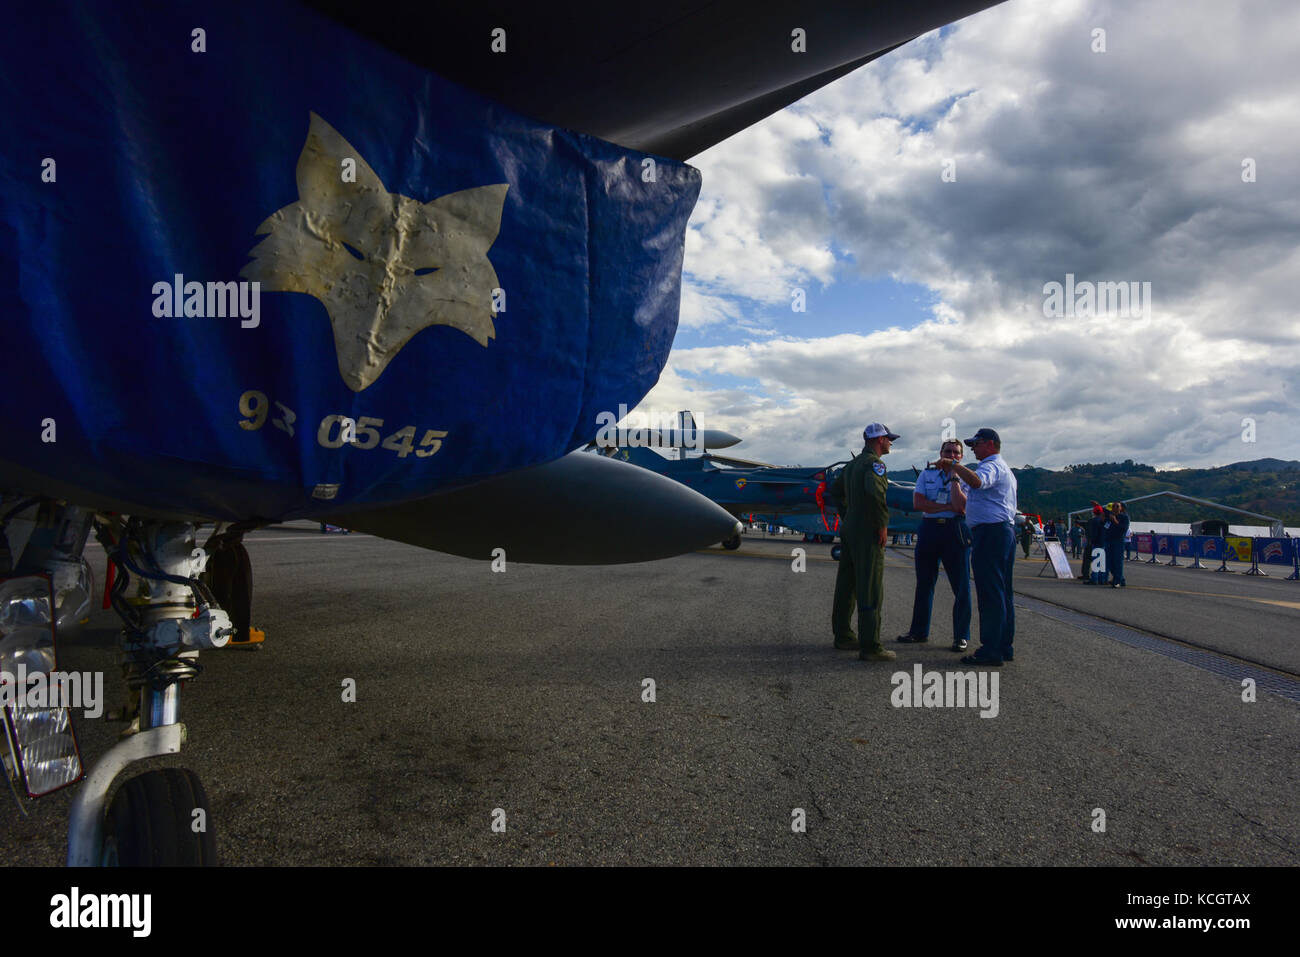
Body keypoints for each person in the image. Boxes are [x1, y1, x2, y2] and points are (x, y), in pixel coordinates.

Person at [935, 427, 1018, 666]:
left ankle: (991, 649)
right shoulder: (1001, 468)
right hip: (999, 532)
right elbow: (963, 500)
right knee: (1002, 592)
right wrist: (954, 477)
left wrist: (953, 465)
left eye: (976, 444)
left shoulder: (990, 466)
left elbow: (979, 482)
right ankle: (1003, 645)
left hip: (991, 533)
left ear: (990, 444)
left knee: (990, 592)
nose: (973, 449)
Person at [830, 423, 899, 662]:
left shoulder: (852, 465)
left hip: (849, 528)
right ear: (879, 439)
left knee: (847, 583)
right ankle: (871, 646)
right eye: (889, 439)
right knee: (870, 586)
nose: (891, 442)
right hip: (867, 531)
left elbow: (835, 491)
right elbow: (875, 493)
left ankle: (843, 635)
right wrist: (881, 524)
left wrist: (847, 514)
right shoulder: (875, 464)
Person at [895, 439, 972, 651]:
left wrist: (955, 476)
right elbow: (918, 504)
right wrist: (948, 506)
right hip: (929, 529)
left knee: (961, 585)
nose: (952, 455)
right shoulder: (926, 475)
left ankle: (961, 636)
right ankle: (918, 631)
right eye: (948, 451)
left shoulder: (966, 477)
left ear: (962, 457)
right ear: (940, 453)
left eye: (956, 453)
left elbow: (962, 508)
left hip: (955, 530)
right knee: (924, 583)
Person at [1105, 502, 1129, 586]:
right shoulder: (1109, 517)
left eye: (1117, 506)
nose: (1115, 507)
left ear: (1121, 508)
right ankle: (1120, 578)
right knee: (1110, 562)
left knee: (1117, 561)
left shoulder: (1124, 517)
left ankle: (1117, 580)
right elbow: (1106, 527)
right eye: (1113, 506)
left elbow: (1123, 529)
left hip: (1118, 541)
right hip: (1109, 541)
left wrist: (1114, 520)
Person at [1086, 505, 1107, 584]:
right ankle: (1101, 579)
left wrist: (1092, 540)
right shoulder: (1104, 520)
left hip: (1097, 542)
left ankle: (1094, 578)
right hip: (1103, 542)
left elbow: (1094, 533)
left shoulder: (1094, 521)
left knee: (1095, 562)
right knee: (1102, 562)